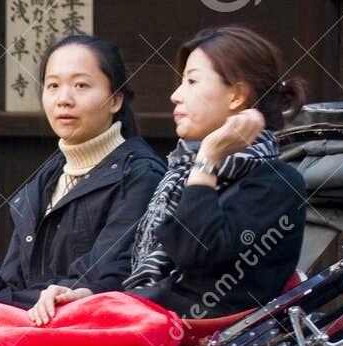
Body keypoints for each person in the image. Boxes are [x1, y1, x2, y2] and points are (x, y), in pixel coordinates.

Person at [0, 34, 165, 325]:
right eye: (53, 86)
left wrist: (3, 302)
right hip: (33, 324)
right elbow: (17, 283)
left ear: (115, 100)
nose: (64, 100)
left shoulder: (140, 175)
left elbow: (104, 279)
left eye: (81, 85)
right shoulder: (49, 177)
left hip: (84, 332)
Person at [122, 25, 309, 318]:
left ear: (236, 96)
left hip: (194, 341)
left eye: (192, 81)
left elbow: (195, 252)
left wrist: (208, 157)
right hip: (147, 321)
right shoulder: (182, 170)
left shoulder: (277, 184)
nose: (175, 95)